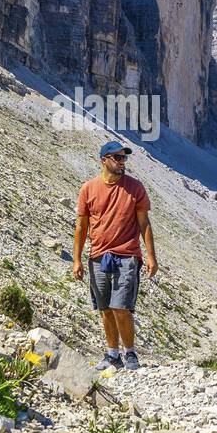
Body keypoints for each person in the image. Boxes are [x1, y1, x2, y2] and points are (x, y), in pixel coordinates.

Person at [73, 140, 158, 372]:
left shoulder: (135, 188)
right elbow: (81, 227)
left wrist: (151, 256)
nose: (123, 162)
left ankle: (130, 352)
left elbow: (144, 224)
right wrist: (77, 260)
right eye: (118, 158)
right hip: (98, 256)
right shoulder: (88, 189)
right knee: (106, 309)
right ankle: (112, 354)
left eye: (124, 158)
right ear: (104, 160)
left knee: (122, 307)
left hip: (128, 255)